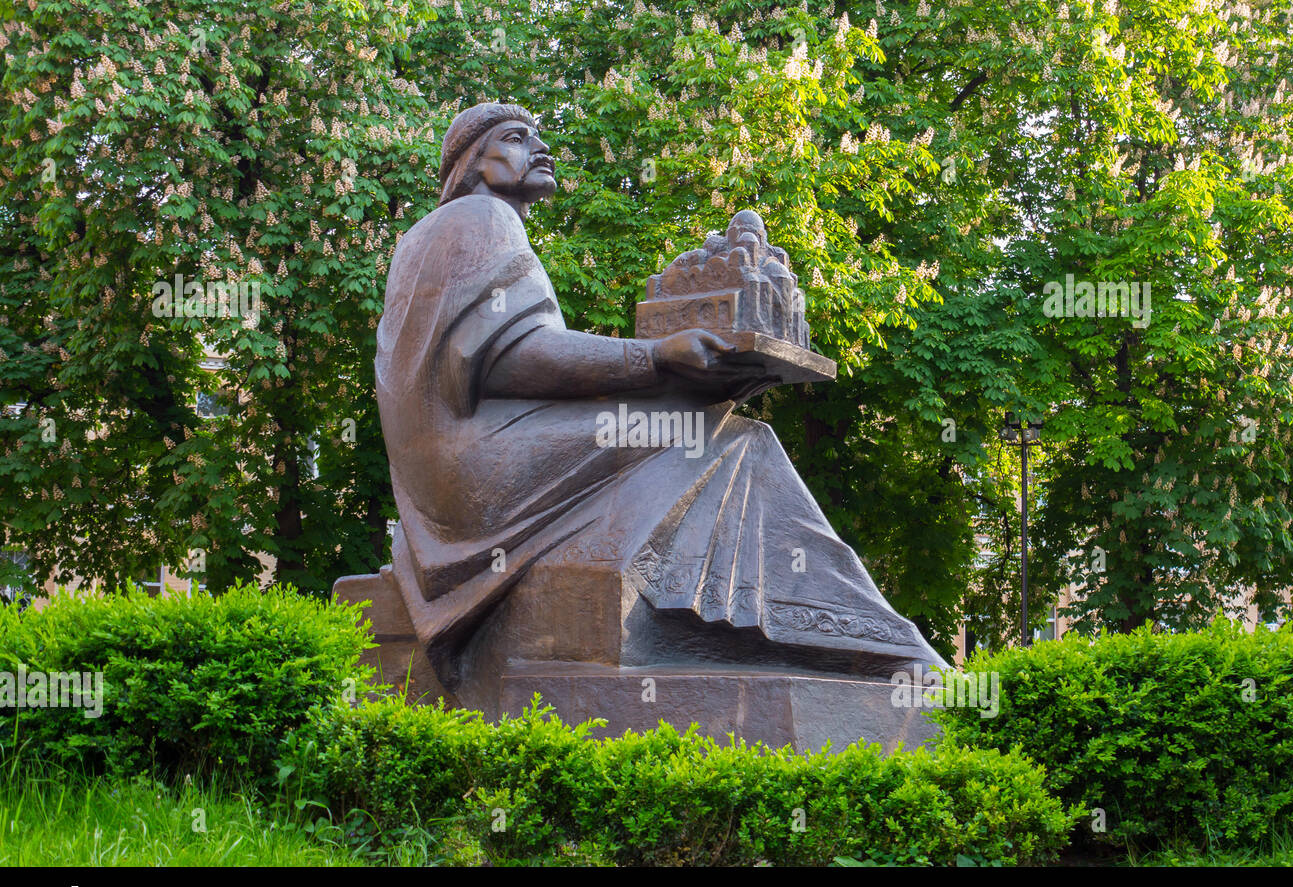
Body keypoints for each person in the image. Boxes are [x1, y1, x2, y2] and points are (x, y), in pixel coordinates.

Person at [376, 102, 946, 685]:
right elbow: (513, 359)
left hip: (450, 473)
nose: (540, 148)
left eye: (539, 137)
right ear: (472, 162)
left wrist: (683, 375)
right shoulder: (480, 219)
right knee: (725, 438)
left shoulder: (433, 234)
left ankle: (814, 632)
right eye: (518, 139)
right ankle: (866, 645)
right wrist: (654, 358)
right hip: (475, 472)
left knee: (697, 416)